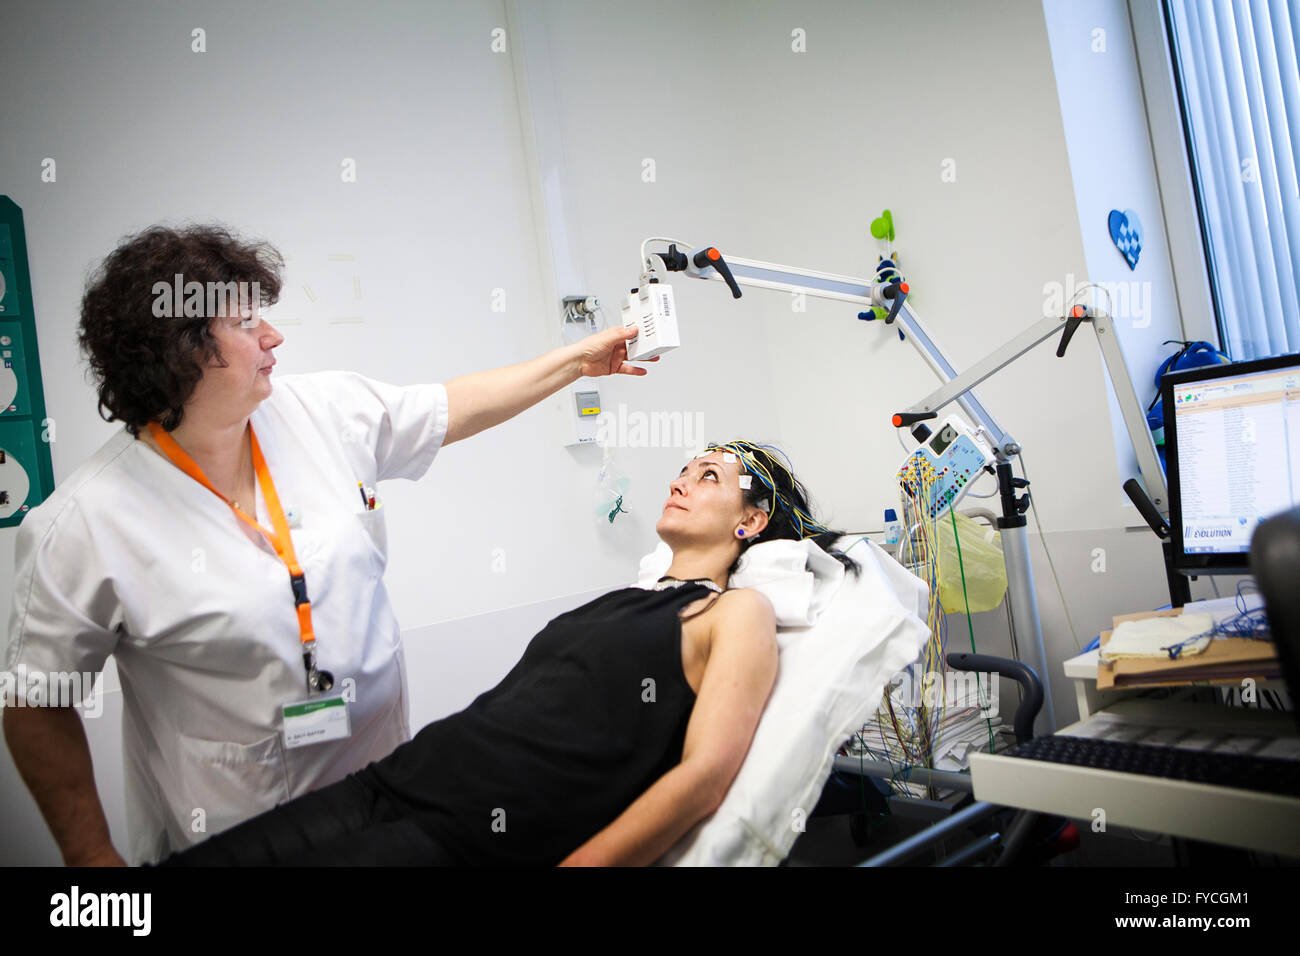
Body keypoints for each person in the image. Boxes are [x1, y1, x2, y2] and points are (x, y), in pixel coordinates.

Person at [1, 224, 652, 866]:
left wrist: (577, 363)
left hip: (385, 802)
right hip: (234, 835)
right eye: (247, 323)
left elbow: (449, 408)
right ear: (182, 351)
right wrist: (90, 857)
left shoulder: (320, 412)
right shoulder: (86, 523)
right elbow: (34, 700)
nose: (273, 335)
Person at [158, 441, 859, 866]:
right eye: (683, 467)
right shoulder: (620, 599)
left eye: (708, 476)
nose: (680, 480)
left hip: (466, 837)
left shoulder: (737, 612)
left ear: (751, 520)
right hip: (395, 781)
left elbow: (706, 776)